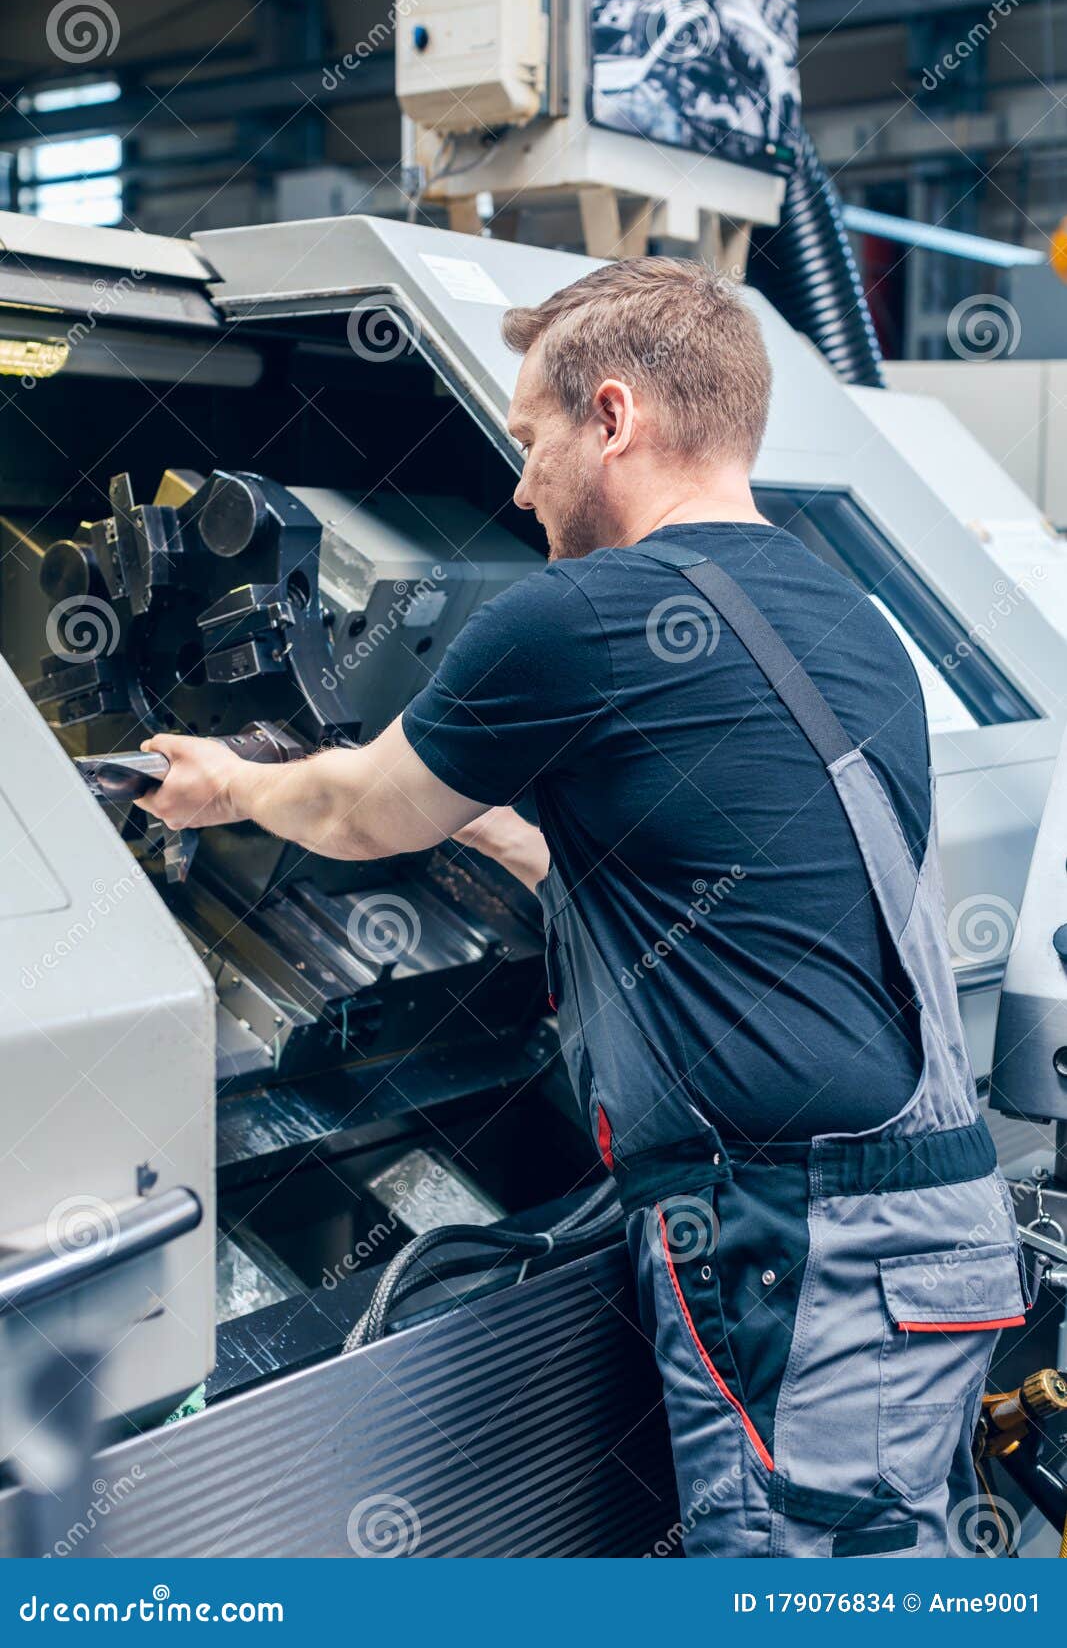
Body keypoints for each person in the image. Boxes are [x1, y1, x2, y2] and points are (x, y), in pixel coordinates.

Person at [136, 257, 1026, 1558]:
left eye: (528, 440)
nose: (517, 487)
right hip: (929, 1221)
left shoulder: (581, 616)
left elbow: (357, 812)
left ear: (612, 417)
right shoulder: (847, 617)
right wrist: (481, 814)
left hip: (799, 1243)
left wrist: (230, 784)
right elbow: (712, 888)